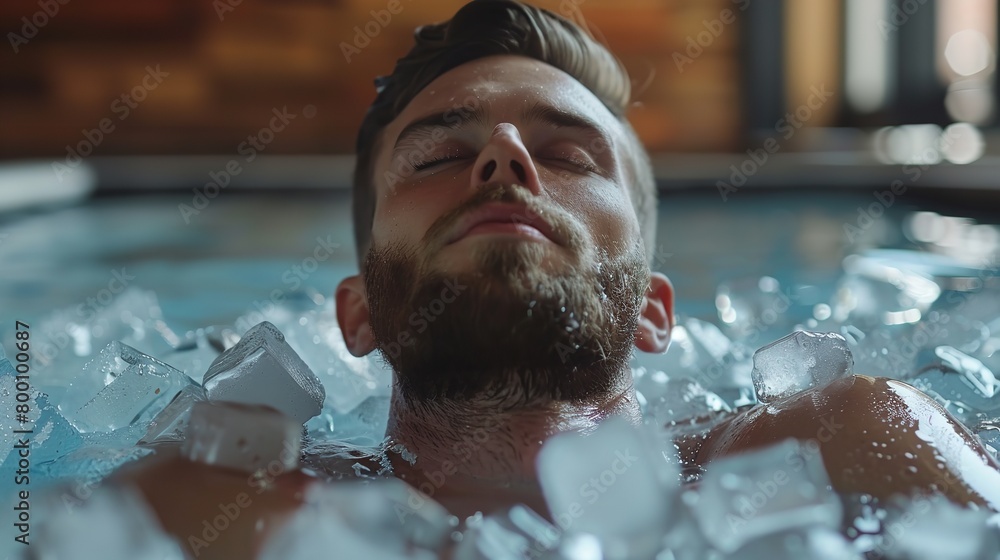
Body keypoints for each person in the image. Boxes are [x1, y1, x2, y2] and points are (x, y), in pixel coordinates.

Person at [118, 1, 1000, 558]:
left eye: (567, 154)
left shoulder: (845, 442)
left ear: (655, 310)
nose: (503, 158)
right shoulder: (216, 508)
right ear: (358, 316)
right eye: (439, 155)